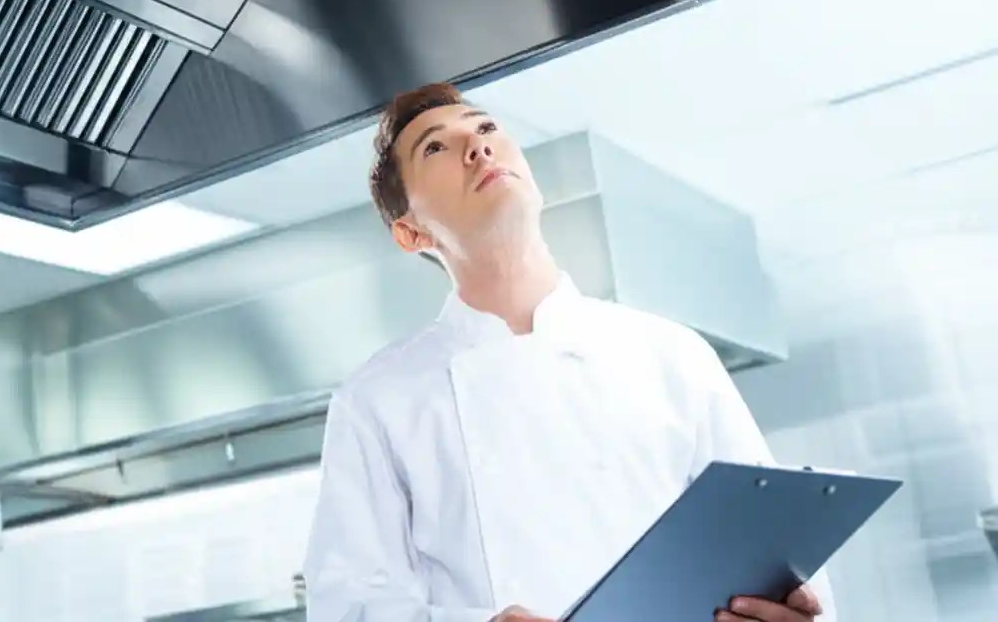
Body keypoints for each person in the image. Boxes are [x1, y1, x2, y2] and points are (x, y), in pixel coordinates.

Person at [302, 83, 834, 622]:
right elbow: (348, 608)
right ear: (410, 232)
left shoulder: (671, 353)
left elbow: (777, 552)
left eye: (487, 129)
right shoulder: (379, 400)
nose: (479, 148)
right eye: (436, 147)